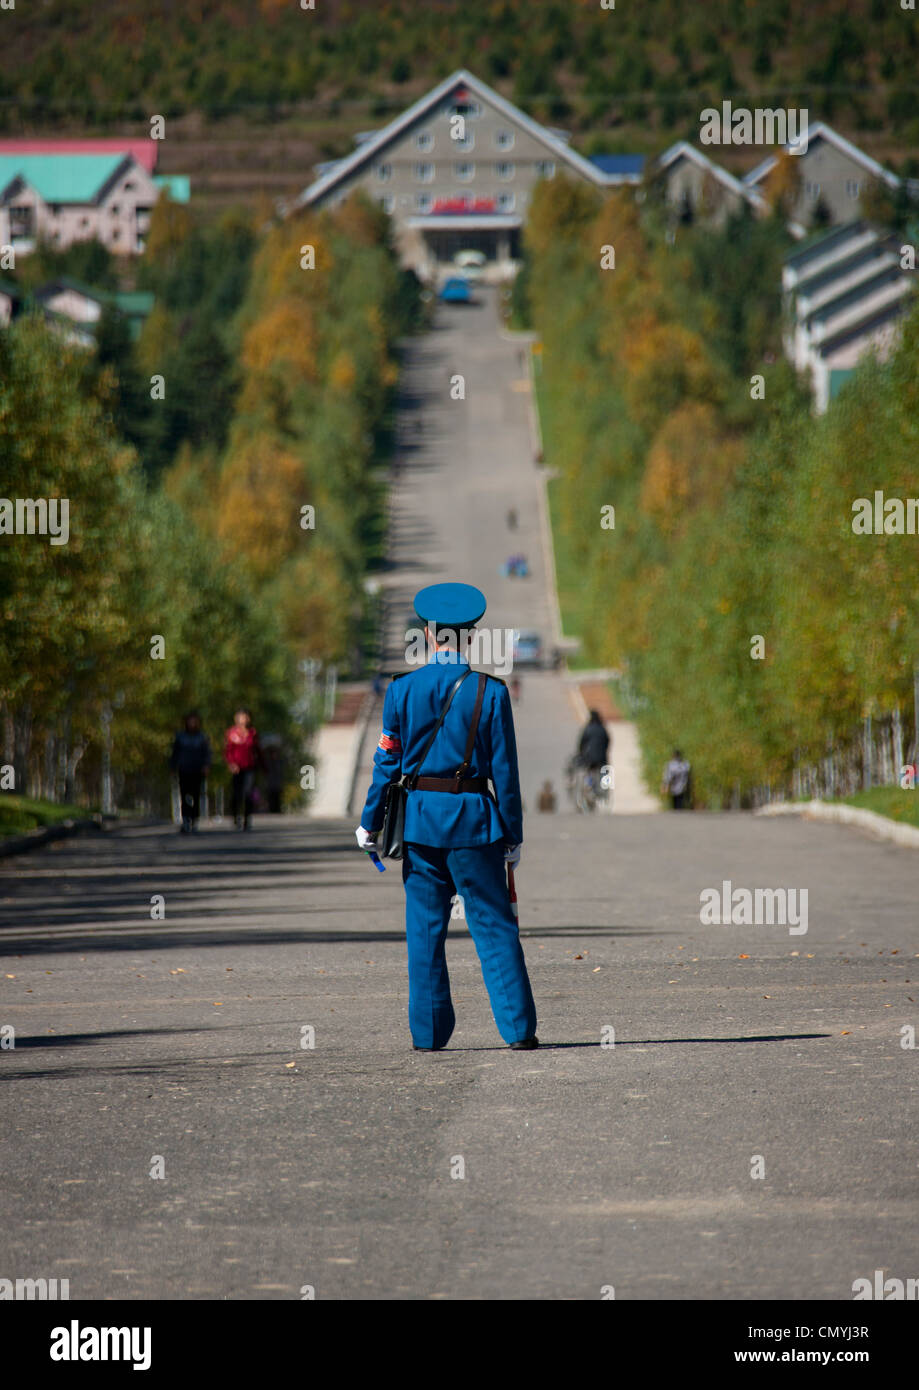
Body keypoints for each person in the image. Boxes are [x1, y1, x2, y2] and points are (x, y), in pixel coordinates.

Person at [355, 582, 538, 1052]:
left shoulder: (401, 691)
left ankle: (429, 1033)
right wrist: (513, 835)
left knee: (424, 931)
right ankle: (518, 1030)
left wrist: (369, 821)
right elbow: (506, 775)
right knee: (495, 926)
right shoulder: (491, 693)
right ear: (470, 637)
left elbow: (387, 764)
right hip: (476, 824)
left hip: (419, 826)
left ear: (429, 634)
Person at [170, 711, 211, 833]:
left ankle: (194, 819)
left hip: (197, 769)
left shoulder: (202, 737)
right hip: (184, 769)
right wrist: (173, 766)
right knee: (184, 794)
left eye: (195, 721)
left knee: (196, 795)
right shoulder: (180, 737)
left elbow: (207, 753)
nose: (192, 723)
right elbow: (175, 753)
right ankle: (186, 819)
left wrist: (206, 765)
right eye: (190, 721)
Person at [224, 707, 262, 830]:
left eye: (245, 717)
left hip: (250, 767)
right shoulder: (231, 733)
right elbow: (228, 751)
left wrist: (264, 766)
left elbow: (258, 751)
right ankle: (236, 816)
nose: (243, 719)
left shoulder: (253, 733)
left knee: (248, 793)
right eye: (240, 716)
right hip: (237, 768)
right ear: (236, 718)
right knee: (236, 794)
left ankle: (247, 818)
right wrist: (231, 763)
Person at [577, 709, 610, 775]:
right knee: (604, 772)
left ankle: (589, 783)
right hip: (602, 758)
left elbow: (582, 742)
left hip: (589, 757)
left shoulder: (588, 728)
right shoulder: (602, 729)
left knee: (588, 770)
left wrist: (580, 753)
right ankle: (605, 783)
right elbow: (607, 741)